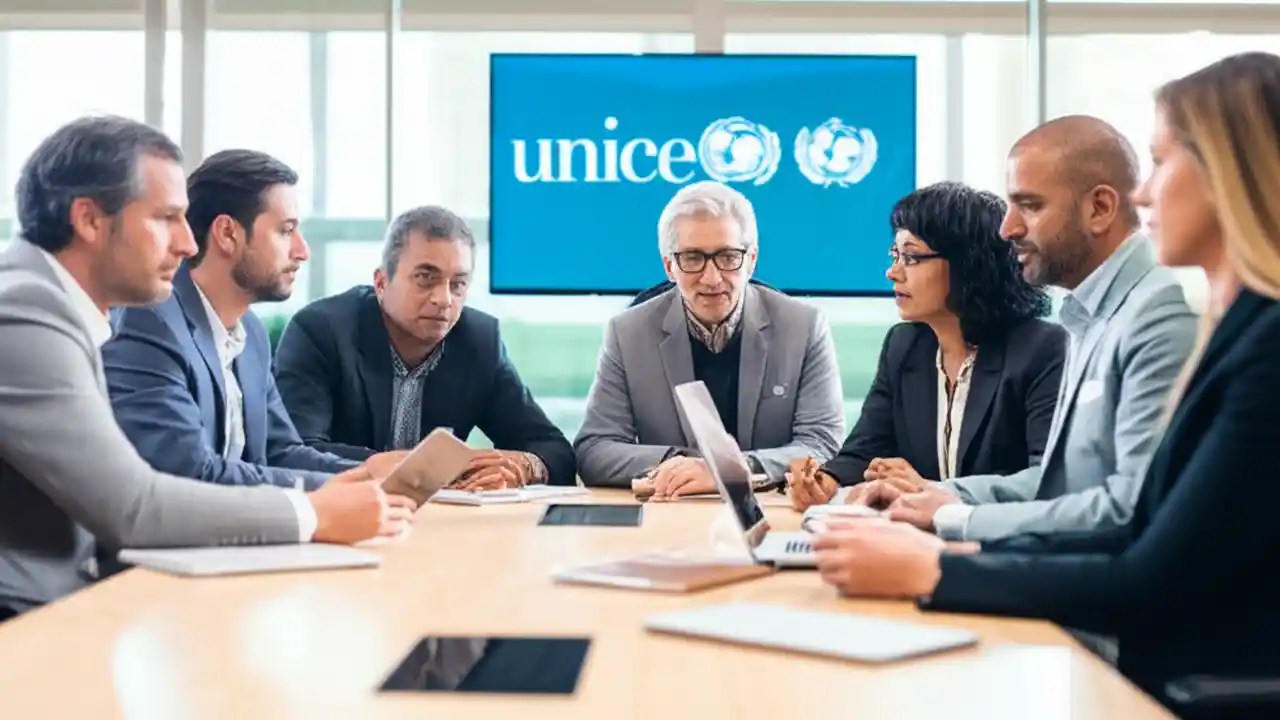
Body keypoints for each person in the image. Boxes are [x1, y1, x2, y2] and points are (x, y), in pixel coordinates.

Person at [813, 51, 1280, 712]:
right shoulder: (1171, 324)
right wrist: (946, 526)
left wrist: (940, 561)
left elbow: (1146, 555)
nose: (1144, 194)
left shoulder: (1241, 341)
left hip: (1163, 680)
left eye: (1161, 163)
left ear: (1230, 174)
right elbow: (1114, 515)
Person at [0, 116, 412, 619]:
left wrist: (355, 482)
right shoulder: (25, 313)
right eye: (165, 218)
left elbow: (274, 450)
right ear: (89, 221)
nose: (188, 244)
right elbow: (134, 507)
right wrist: (311, 512)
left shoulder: (59, 309)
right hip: (26, 619)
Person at [837, 116, 1199, 543]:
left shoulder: (1153, 318)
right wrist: (938, 499)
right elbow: (1059, 485)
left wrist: (951, 527)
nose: (1008, 230)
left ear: (1100, 208)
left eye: (1030, 206)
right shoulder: (1088, 318)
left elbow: (1126, 513)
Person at [102, 149, 404, 490]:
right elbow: (189, 472)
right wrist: (341, 490)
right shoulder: (150, 322)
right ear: (227, 233)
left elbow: (280, 453)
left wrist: (371, 473)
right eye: (286, 231)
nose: (302, 251)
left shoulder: (251, 334)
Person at [787, 182, 1066, 512]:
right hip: (918, 533)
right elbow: (866, 449)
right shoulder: (905, 345)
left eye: (911, 257)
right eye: (895, 256)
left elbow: (1047, 479)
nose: (892, 273)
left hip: (1000, 536)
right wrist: (826, 480)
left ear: (969, 263)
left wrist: (935, 491)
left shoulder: (1043, 350)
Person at [574, 180, 844, 496]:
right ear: (669, 266)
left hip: (771, 509)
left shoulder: (804, 327)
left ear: (752, 259)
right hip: (671, 509)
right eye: (692, 258)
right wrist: (679, 464)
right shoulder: (627, 332)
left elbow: (823, 443)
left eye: (728, 257)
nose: (712, 278)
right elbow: (594, 450)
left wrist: (734, 470)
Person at [274, 206, 576, 488]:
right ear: (381, 283)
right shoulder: (321, 331)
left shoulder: (479, 342)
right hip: (342, 512)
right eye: (425, 279)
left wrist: (524, 466)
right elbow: (293, 452)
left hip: (442, 520)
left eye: (457, 284)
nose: (444, 299)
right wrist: (395, 467)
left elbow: (554, 449)